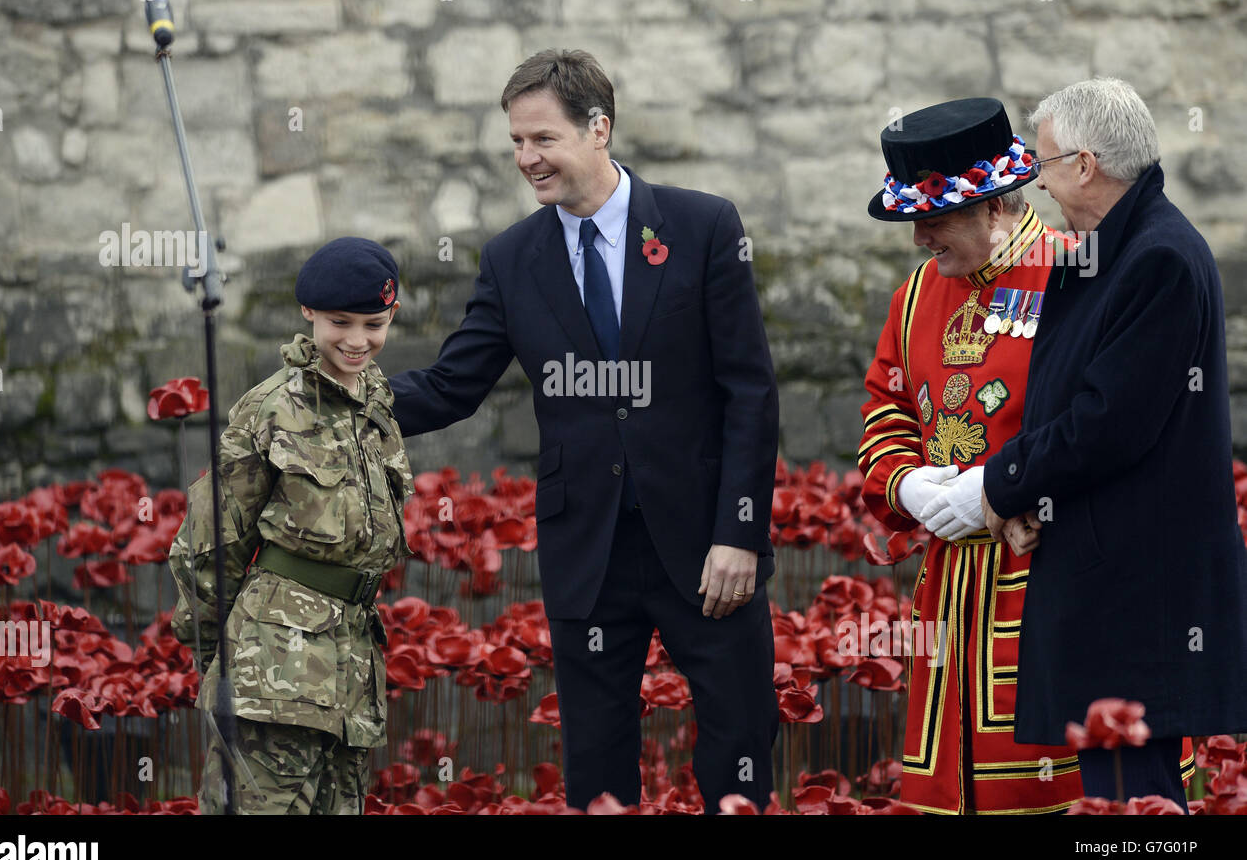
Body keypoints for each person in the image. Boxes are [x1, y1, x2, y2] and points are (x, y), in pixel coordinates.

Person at [387, 49, 780, 813]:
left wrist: (740, 532)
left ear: (599, 129)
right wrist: (335, 393)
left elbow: (750, 391)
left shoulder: (703, 227)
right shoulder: (511, 258)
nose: (526, 159)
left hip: (706, 547)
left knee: (738, 743)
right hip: (588, 552)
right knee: (596, 762)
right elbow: (449, 386)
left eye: (542, 139)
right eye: (516, 143)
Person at [980, 78, 1247, 808]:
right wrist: (1030, 488)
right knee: (1122, 803)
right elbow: (1064, 399)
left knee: (1139, 813)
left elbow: (1105, 425)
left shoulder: (1157, 258)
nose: (1037, 184)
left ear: (1086, 165)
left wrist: (997, 484)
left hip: (1139, 597)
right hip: (1110, 580)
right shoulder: (1113, 250)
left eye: (1044, 166)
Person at [859, 97, 1097, 814]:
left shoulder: (1075, 277)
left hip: (1053, 579)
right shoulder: (913, 297)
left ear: (993, 207)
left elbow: (1103, 427)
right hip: (952, 589)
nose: (920, 240)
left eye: (933, 220)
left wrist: (1005, 496)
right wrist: (906, 485)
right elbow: (885, 406)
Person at [168, 237, 414, 814]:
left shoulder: (376, 409)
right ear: (308, 315)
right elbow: (210, 544)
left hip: (352, 669)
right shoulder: (273, 408)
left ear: (392, 316)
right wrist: (220, 658)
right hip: (272, 668)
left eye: (373, 324)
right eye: (340, 322)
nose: (357, 340)